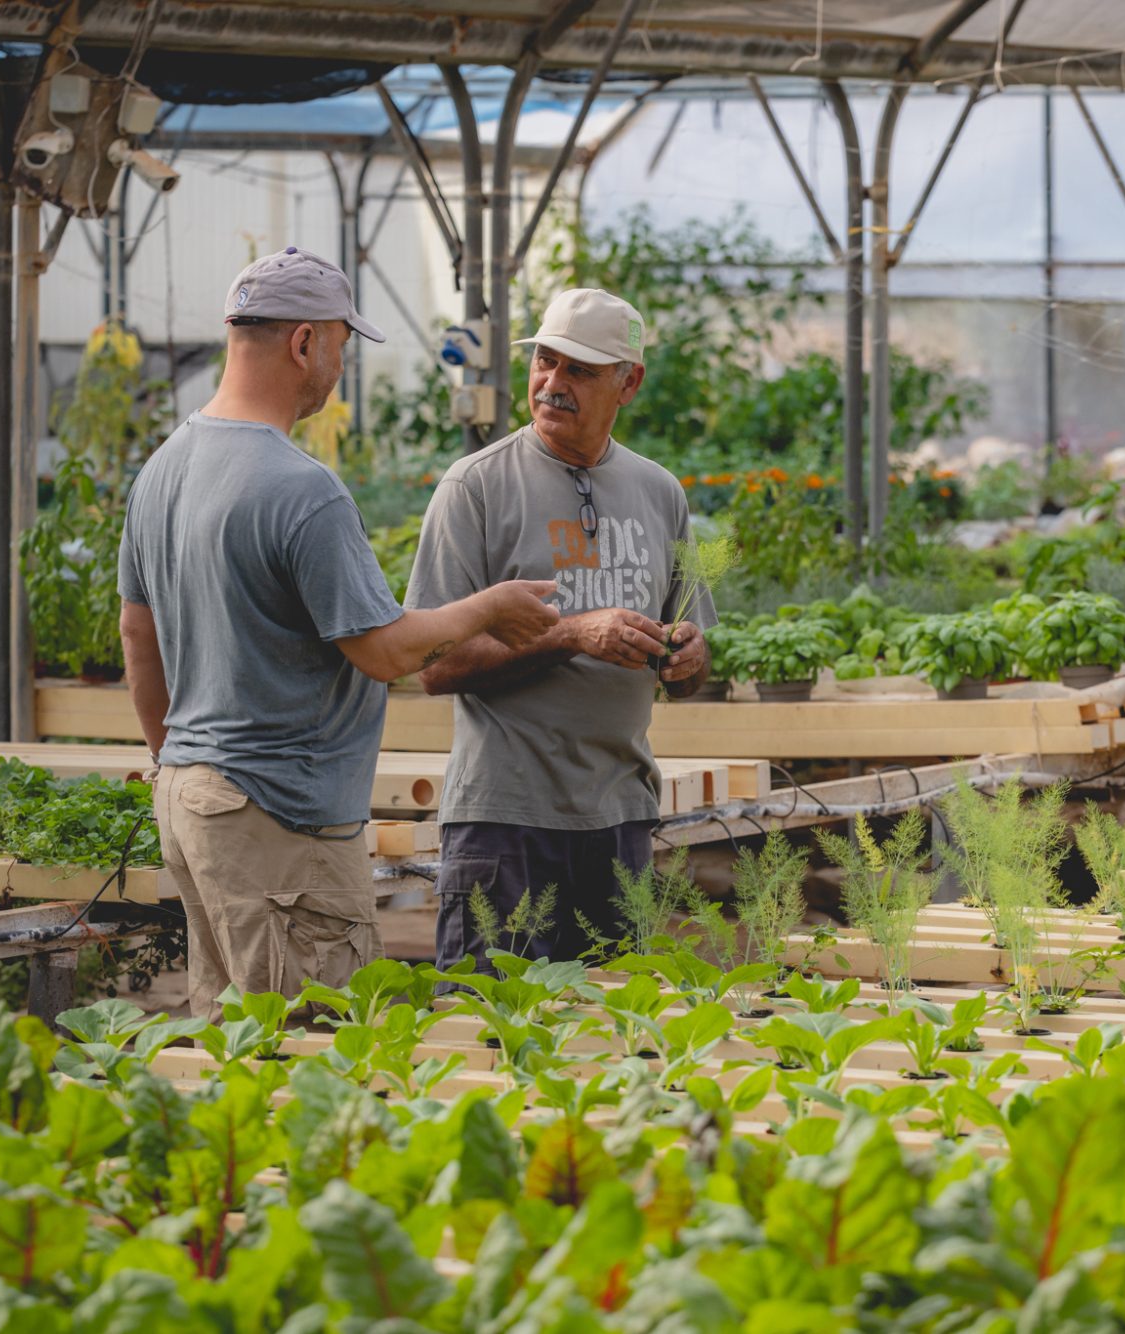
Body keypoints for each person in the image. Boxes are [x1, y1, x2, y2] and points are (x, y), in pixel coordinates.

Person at [119, 246, 560, 1021]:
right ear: (303, 343)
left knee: (234, 1049)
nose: (338, 367)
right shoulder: (301, 489)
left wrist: (176, 759)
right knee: (314, 1056)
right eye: (340, 346)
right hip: (279, 819)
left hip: (194, 803)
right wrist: (490, 607)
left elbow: (136, 632)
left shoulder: (164, 466)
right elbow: (385, 648)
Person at [406, 287, 716, 973]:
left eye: (579, 370)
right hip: (506, 818)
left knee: (610, 1046)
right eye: (544, 362)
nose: (552, 384)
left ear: (627, 382)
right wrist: (569, 635)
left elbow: (694, 666)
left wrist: (689, 656)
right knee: (493, 1034)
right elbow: (432, 666)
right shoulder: (476, 486)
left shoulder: (659, 491)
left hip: (620, 817)